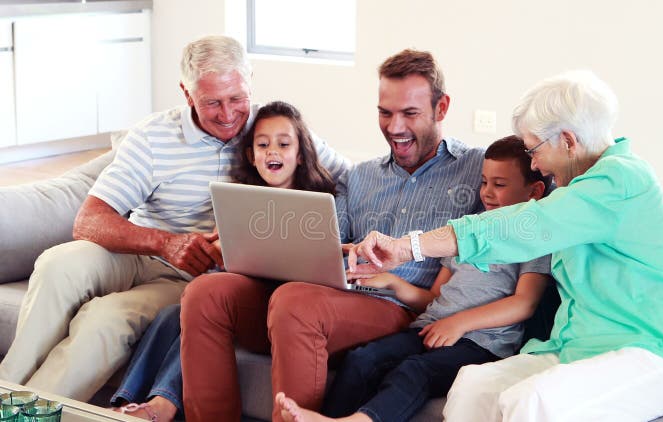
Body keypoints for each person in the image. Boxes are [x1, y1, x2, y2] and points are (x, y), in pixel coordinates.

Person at [346, 70, 663, 421]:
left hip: (650, 354)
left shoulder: (620, 178)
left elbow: (525, 224)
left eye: (534, 150)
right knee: (472, 385)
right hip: (573, 349)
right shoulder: (587, 193)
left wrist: (409, 246)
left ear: (569, 141)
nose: (536, 165)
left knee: (531, 400)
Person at [0, 35, 349, 402]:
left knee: (107, 317)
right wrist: (164, 243)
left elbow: (352, 181)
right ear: (187, 93)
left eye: (237, 99)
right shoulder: (154, 136)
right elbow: (88, 221)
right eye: (212, 102)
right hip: (137, 253)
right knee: (58, 263)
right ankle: (7, 387)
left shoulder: (271, 131)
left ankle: (30, 408)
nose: (228, 114)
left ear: (250, 81)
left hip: (191, 278)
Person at [179, 48, 486, 422]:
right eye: (385, 113)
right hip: (332, 298)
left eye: (410, 113)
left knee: (296, 301)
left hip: (400, 309)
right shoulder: (359, 177)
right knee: (206, 293)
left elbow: (523, 201)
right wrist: (245, 241)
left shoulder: (479, 169)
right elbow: (318, 246)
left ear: (442, 109)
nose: (395, 127)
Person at [275, 136, 554, 422]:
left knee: (413, 371)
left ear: (534, 191)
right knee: (362, 360)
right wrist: (393, 283)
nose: (487, 193)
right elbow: (434, 297)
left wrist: (460, 322)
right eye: (484, 182)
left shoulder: (532, 237)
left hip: (482, 344)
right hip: (431, 327)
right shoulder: (466, 230)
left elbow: (525, 303)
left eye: (500, 184)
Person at [108, 101, 336, 421]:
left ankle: (163, 404)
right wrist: (223, 246)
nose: (273, 152)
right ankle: (126, 402)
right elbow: (223, 265)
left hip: (286, 310)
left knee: (208, 308)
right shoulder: (240, 199)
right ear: (251, 155)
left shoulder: (321, 201)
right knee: (172, 315)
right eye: (263, 145)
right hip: (242, 297)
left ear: (300, 154)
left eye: (284, 145)